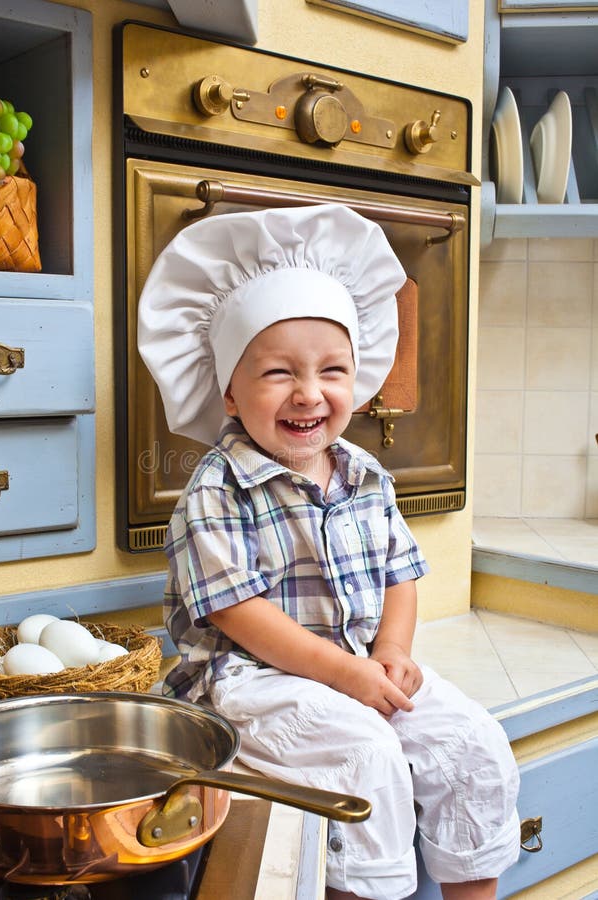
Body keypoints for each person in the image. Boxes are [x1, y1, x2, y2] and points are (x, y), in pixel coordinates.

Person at [138, 204, 521, 900]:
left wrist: (394, 653)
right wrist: (347, 676)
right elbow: (238, 614)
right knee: (364, 755)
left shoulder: (364, 473)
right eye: (278, 372)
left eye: (332, 370)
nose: (309, 393)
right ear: (229, 388)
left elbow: (399, 574)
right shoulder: (216, 488)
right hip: (250, 685)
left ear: (359, 377)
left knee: (473, 744)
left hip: (354, 666)